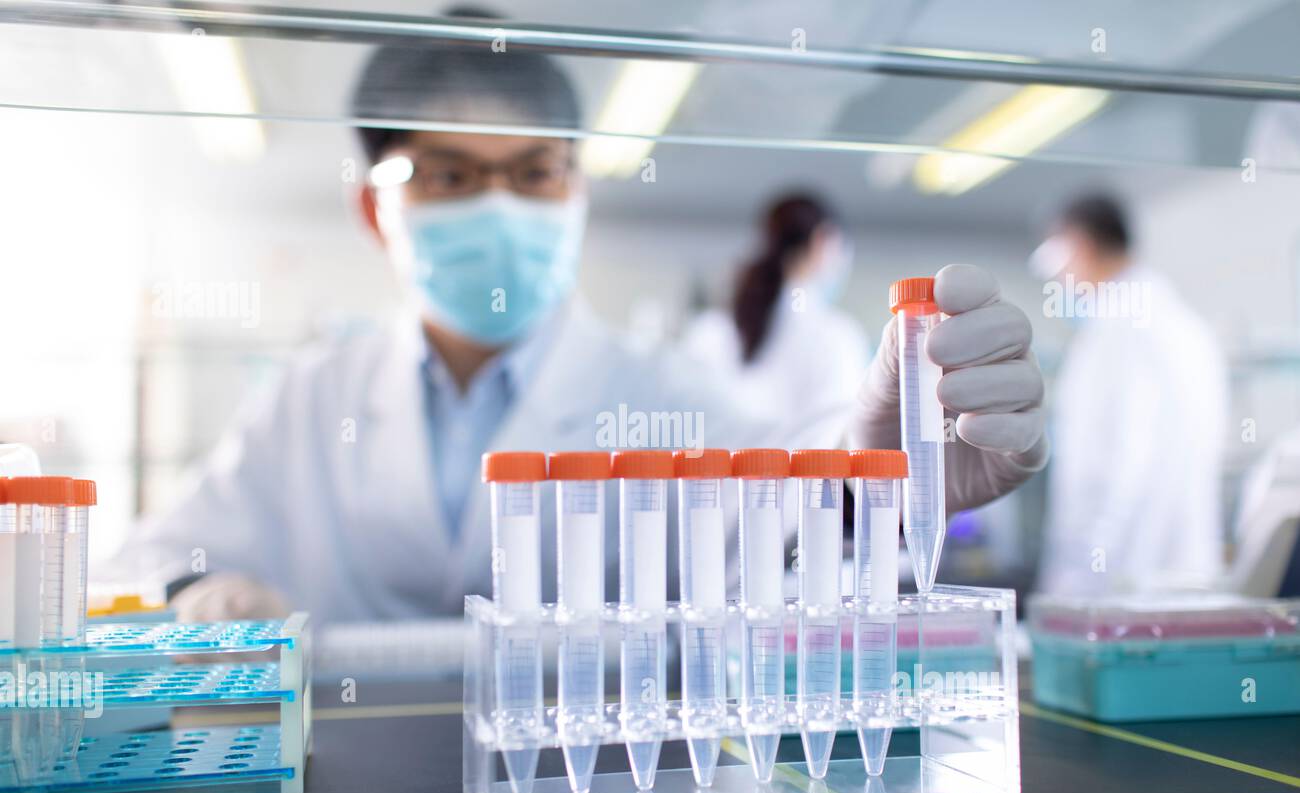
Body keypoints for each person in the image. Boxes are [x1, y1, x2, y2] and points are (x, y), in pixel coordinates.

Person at [107, 23, 1049, 625]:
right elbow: (152, 554)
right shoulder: (311, 402)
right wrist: (200, 591)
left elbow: (778, 482)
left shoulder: (659, 392)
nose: (499, 205)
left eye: (533, 174)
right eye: (448, 175)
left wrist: (870, 472)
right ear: (373, 212)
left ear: (577, 194)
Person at [1032, 194, 1228, 596]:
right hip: (1182, 574)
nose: (1058, 278)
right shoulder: (1184, 326)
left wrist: (1078, 584)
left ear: (1078, 245)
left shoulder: (1116, 332)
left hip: (1120, 586)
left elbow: (1111, 471)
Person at [681, 194, 870, 422]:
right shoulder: (838, 337)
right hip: (804, 459)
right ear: (823, 241)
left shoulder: (709, 331)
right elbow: (840, 437)